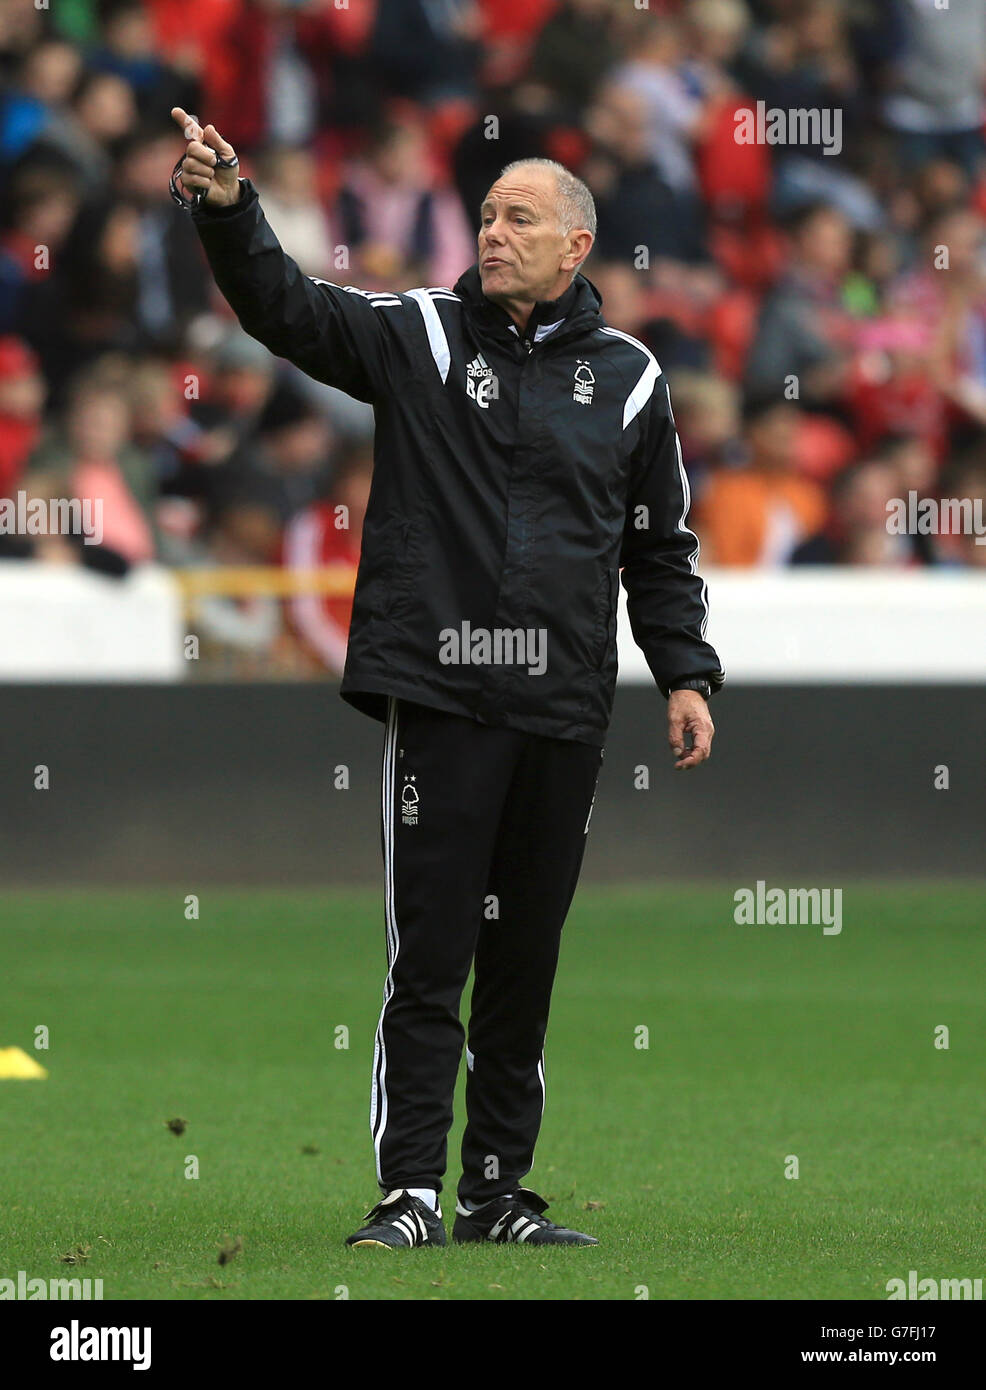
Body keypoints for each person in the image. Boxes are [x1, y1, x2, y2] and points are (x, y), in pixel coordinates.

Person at [171, 106, 724, 1249]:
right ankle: (410, 1191)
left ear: (576, 246)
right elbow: (288, 311)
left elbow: (656, 543)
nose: (494, 232)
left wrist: (683, 672)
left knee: (522, 966)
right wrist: (230, 211)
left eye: (519, 217)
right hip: (441, 692)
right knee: (429, 957)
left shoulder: (627, 379)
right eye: (484, 214)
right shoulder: (419, 335)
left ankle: (495, 1195)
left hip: (564, 703)